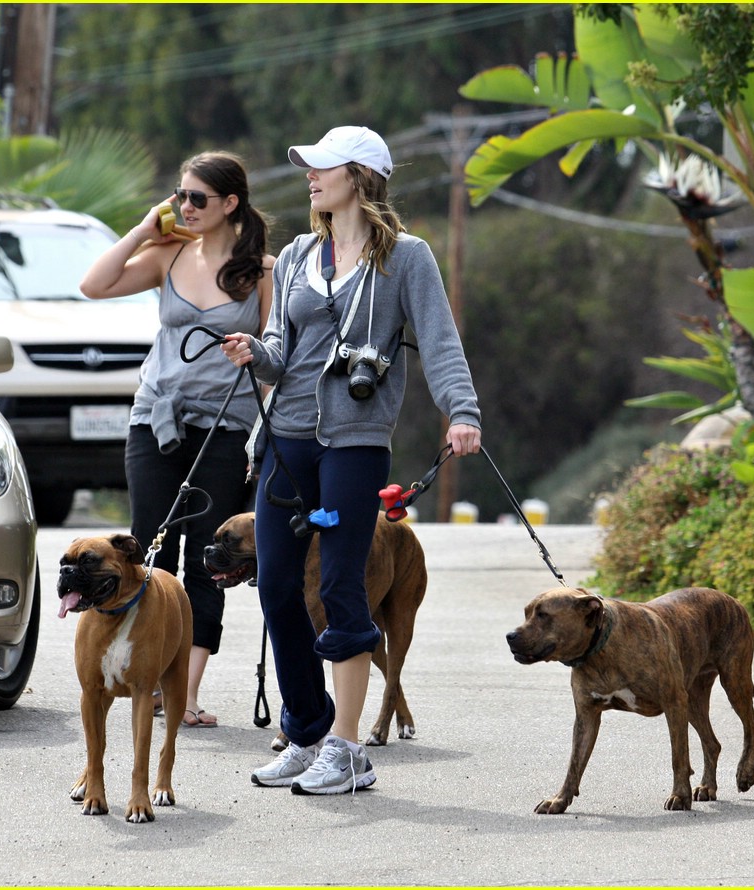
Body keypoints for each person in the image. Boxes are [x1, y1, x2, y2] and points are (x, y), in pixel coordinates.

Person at [221, 126, 481, 794]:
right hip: (285, 437)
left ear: (360, 175)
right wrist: (257, 349)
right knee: (277, 585)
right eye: (307, 167)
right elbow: (281, 347)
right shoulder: (302, 253)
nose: (309, 177)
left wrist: (463, 412)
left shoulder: (408, 258)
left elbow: (441, 342)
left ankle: (347, 748)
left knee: (339, 587)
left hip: (355, 442)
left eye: (322, 167)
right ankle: (306, 732)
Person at [80, 151, 273, 727]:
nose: (184, 207)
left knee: (206, 559)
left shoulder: (263, 270)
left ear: (230, 204)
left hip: (224, 425)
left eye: (196, 199)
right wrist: (146, 225)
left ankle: (182, 695)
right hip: (155, 419)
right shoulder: (167, 253)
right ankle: (138, 676)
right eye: (179, 196)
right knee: (144, 547)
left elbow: (276, 356)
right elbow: (95, 284)